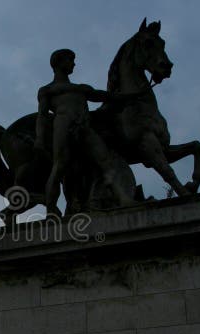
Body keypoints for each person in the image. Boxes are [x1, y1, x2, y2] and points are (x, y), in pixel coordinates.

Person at [35, 49, 140, 216]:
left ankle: (122, 198)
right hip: (63, 125)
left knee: (105, 160)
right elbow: (41, 116)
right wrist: (40, 138)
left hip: (83, 127)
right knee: (60, 165)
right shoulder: (47, 90)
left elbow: (102, 96)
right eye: (70, 60)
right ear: (59, 62)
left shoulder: (81, 88)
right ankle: (51, 207)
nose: (74, 63)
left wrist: (128, 97)